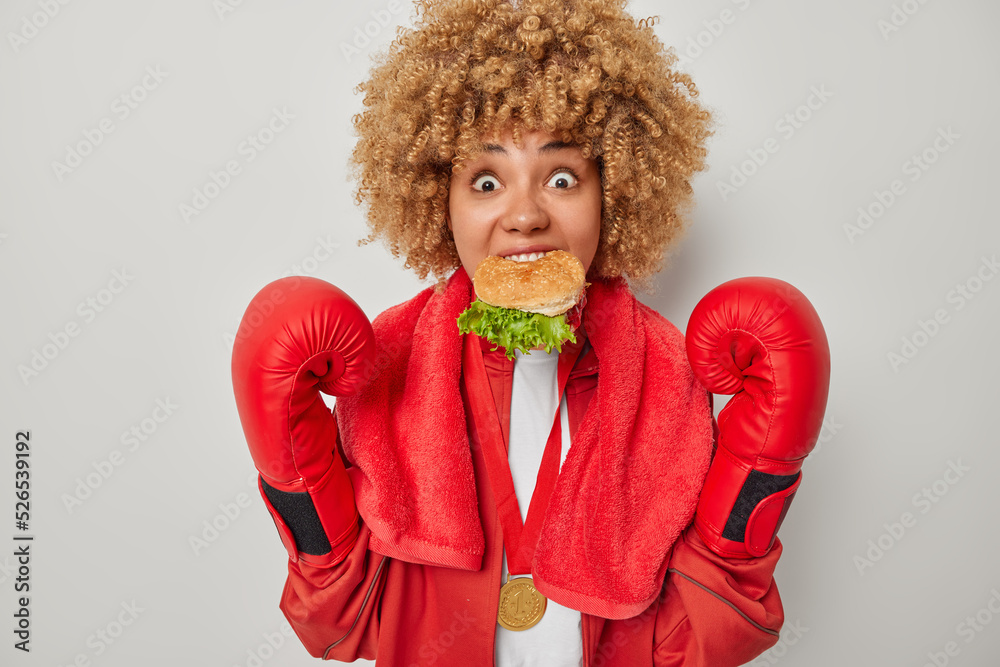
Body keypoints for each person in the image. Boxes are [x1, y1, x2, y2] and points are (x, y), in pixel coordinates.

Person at [231, 1, 830, 665]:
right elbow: (339, 621)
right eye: (487, 180)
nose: (524, 214)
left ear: (614, 193)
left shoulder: (666, 374)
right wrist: (287, 458)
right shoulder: (388, 363)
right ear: (439, 200)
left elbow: (705, 634)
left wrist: (743, 516)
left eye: (563, 177)